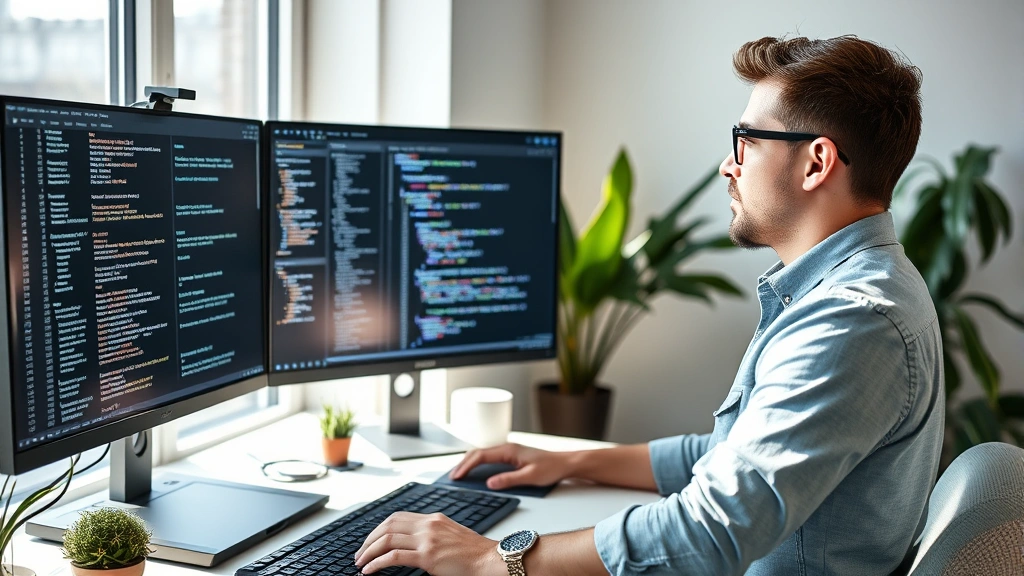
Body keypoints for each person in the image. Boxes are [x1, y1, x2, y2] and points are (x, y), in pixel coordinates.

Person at [354, 34, 943, 576]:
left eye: (746, 141)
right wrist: (571, 463)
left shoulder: (852, 319)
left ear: (816, 162)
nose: (727, 165)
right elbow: (725, 455)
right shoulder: (859, 287)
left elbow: (714, 530)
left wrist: (495, 559)